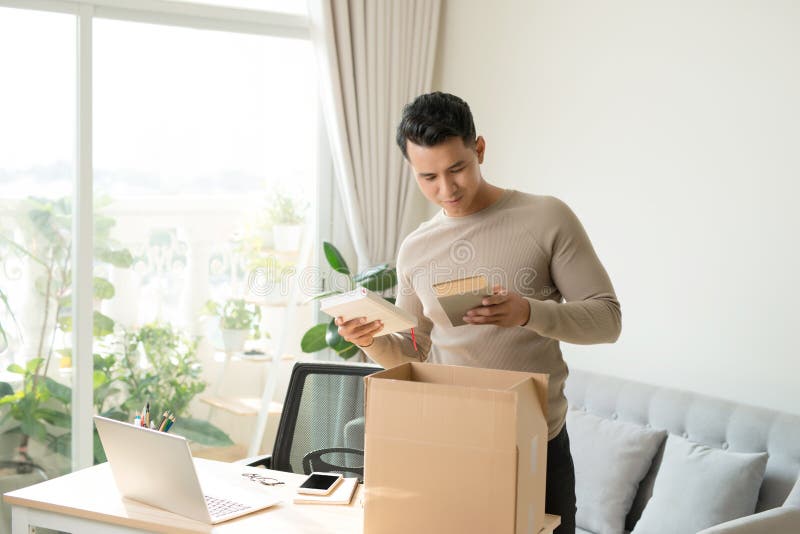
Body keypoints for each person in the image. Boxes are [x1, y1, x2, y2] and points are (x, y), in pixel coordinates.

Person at [335, 91, 621, 534]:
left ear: (480, 149)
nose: (446, 189)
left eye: (457, 168)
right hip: (448, 446)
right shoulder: (416, 249)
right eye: (428, 177)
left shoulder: (547, 218)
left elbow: (607, 321)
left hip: (536, 447)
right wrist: (370, 340)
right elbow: (415, 350)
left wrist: (527, 312)